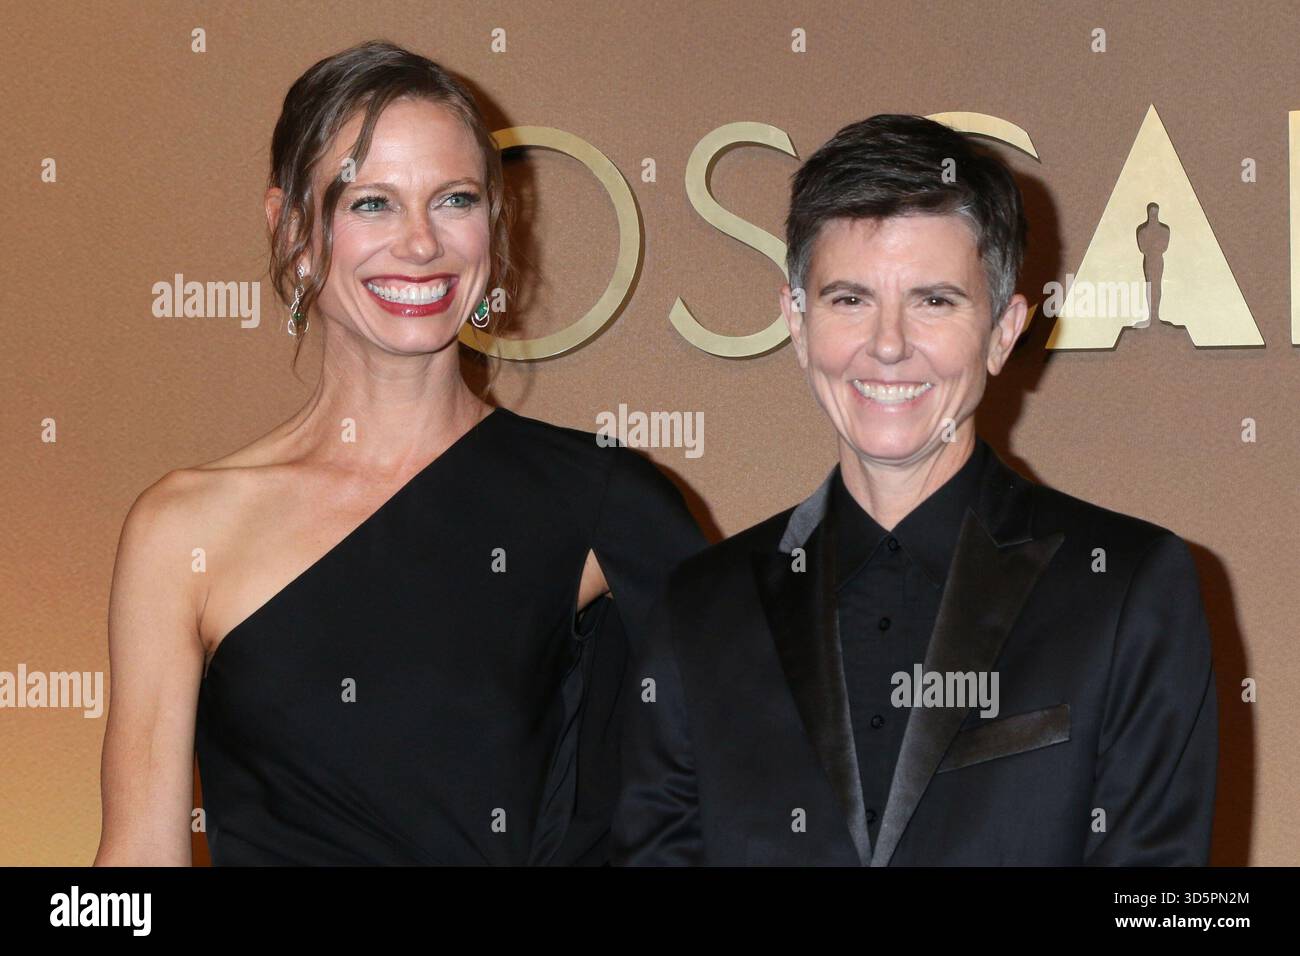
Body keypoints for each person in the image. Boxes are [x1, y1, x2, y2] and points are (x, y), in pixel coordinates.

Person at [93, 40, 705, 866]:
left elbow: (751, 790)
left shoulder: (598, 496)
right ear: (295, 233)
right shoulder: (184, 528)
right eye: (372, 204)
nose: (421, 245)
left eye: (453, 200)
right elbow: (131, 871)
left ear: (495, 221)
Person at [612, 114, 1218, 866]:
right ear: (796, 325)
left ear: (1002, 330)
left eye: (934, 301)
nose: (889, 343)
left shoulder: (1128, 589)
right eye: (849, 300)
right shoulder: (700, 606)